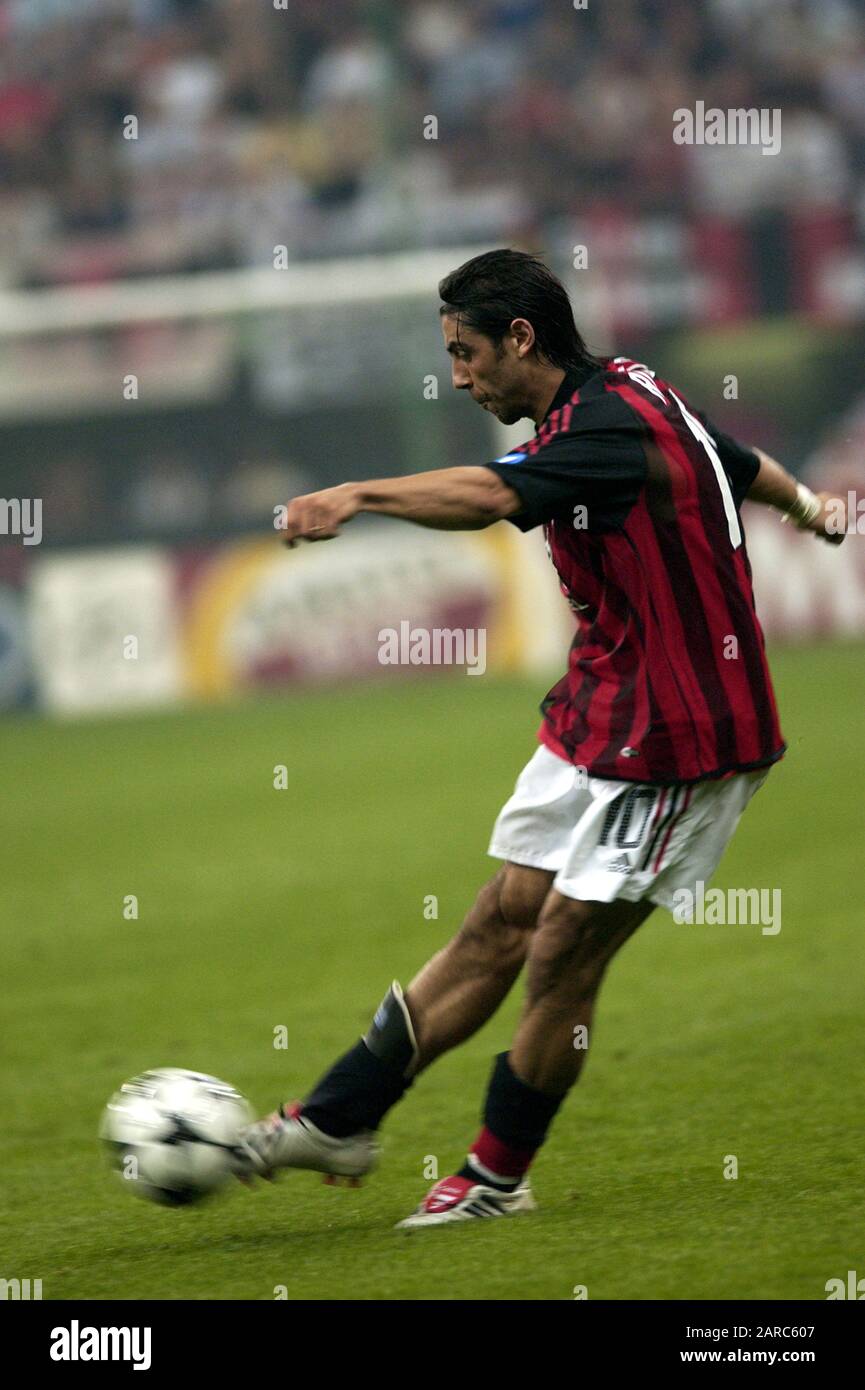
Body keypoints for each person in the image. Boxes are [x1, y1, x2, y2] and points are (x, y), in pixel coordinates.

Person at [236, 249, 844, 1228]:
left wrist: (358, 495)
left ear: (522, 337)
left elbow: (488, 495)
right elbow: (735, 459)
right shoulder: (629, 389)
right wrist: (808, 505)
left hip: (686, 738)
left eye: (467, 354)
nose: (460, 376)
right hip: (602, 708)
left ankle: (493, 1177)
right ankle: (335, 1118)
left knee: (564, 952)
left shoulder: (599, 426)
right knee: (498, 924)